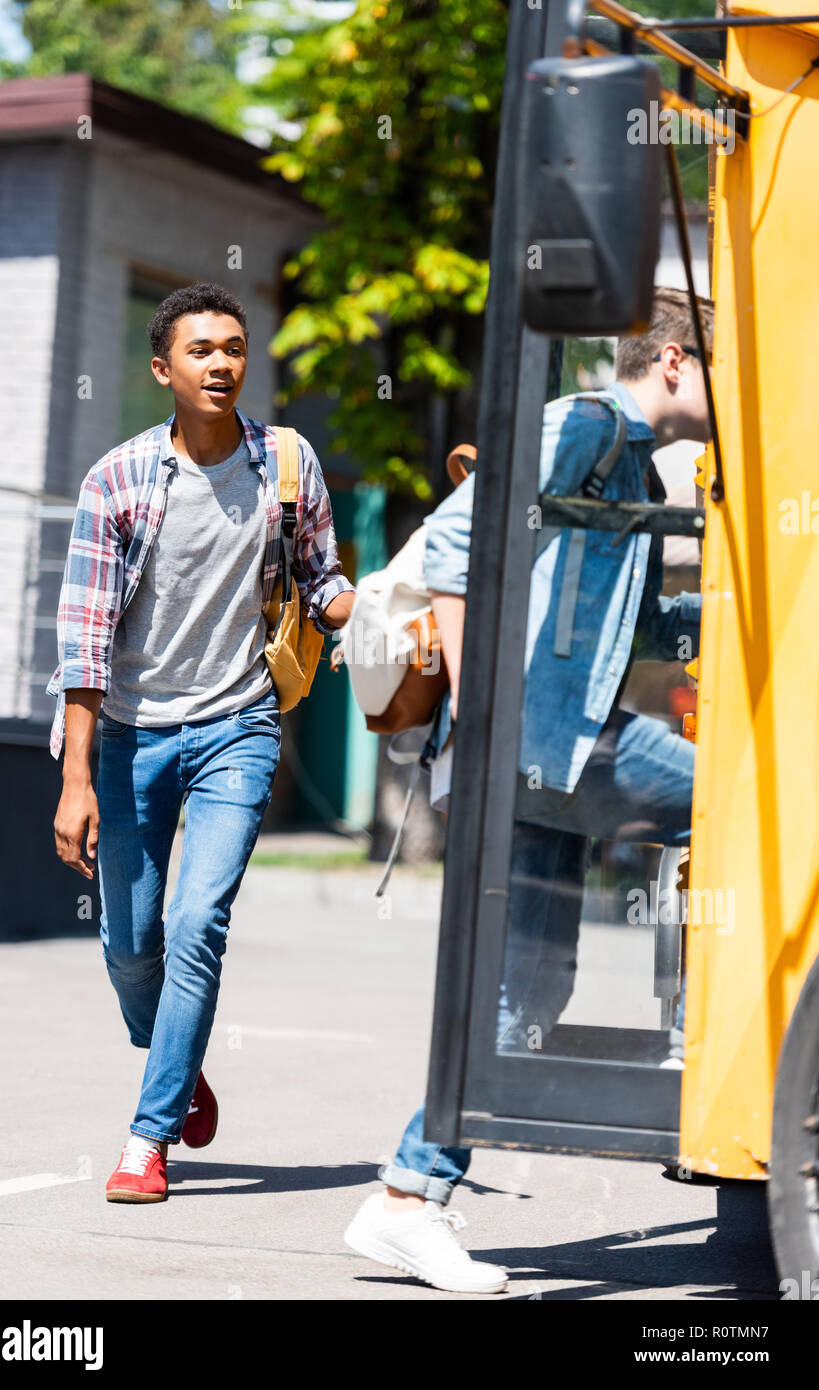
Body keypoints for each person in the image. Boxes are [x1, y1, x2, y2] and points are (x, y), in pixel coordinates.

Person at [344, 287, 712, 1293]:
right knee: (744, 801)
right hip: (541, 742)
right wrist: (487, 706)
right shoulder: (581, 424)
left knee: (524, 994)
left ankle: (406, 1198)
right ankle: (710, 1046)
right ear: (676, 363)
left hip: (554, 747)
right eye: (725, 367)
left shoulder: (633, 462)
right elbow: (462, 550)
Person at [48, 282, 354, 1203]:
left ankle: (147, 1139)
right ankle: (177, 1068)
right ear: (162, 369)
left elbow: (322, 577)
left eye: (233, 347)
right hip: (131, 736)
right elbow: (84, 641)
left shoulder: (286, 464)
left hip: (239, 725)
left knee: (195, 926)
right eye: (200, 351)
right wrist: (76, 778)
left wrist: (368, 618)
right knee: (130, 943)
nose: (221, 363)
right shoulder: (120, 482)